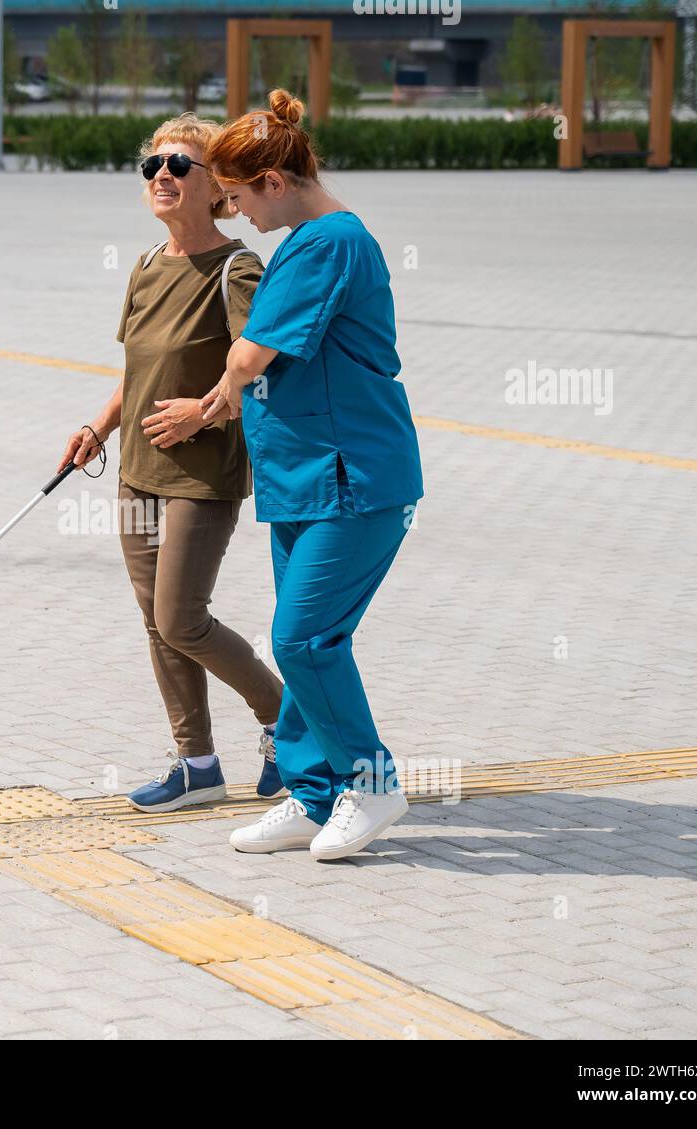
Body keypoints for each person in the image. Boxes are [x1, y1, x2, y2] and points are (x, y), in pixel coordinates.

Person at [200, 90, 424, 860]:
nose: (237, 216)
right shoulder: (306, 238)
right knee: (310, 637)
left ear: (274, 180)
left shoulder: (329, 241)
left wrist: (232, 374)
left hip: (354, 478)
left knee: (303, 639)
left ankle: (372, 783)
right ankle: (314, 793)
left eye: (236, 198)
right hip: (304, 477)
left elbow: (250, 354)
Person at [57, 112, 285, 814]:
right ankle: (197, 763)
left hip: (202, 472)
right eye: (153, 166)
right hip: (134, 471)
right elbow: (138, 370)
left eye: (179, 166)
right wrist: (96, 427)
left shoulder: (237, 268)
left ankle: (289, 721)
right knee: (157, 622)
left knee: (182, 617)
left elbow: (259, 369)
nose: (162, 176)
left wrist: (202, 412)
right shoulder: (148, 266)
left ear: (216, 183)